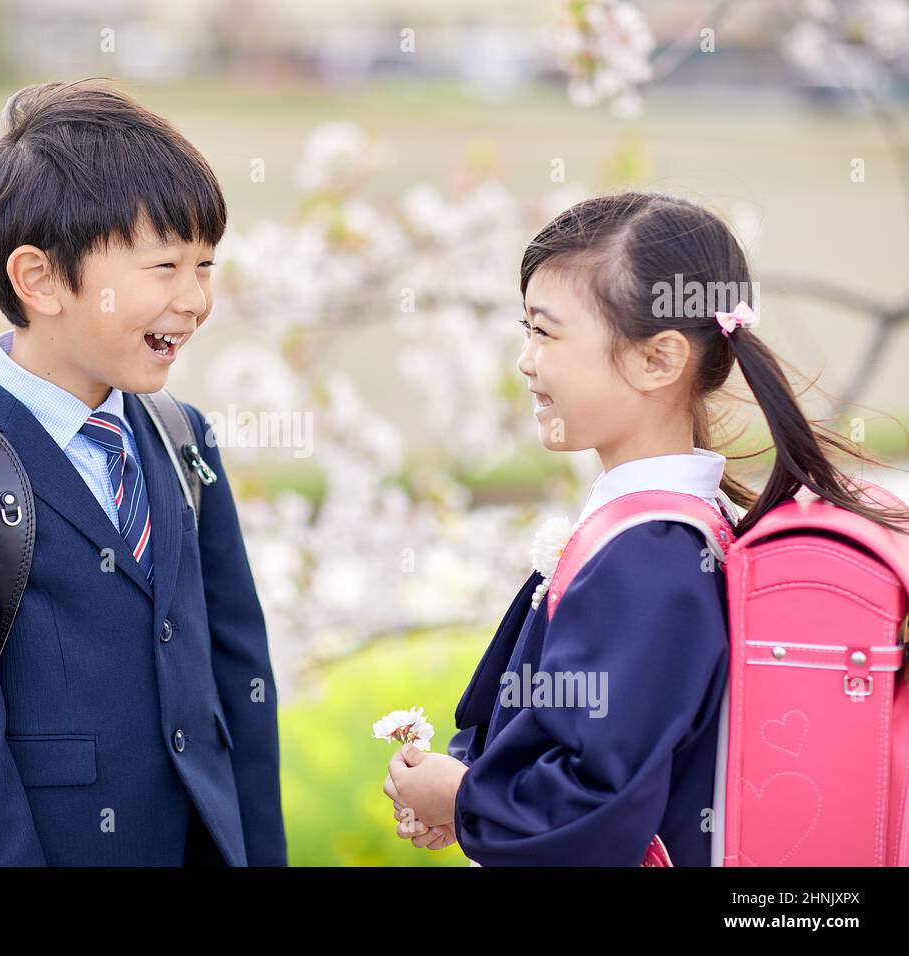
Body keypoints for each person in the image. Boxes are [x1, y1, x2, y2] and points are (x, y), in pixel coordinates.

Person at [383, 191, 909, 865]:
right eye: (526, 330)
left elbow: (598, 803)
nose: (525, 360)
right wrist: (467, 790)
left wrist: (467, 801)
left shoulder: (650, 557)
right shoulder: (672, 531)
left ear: (658, 360)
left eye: (545, 332)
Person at [0, 80, 286, 866]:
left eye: (206, 266)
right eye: (163, 266)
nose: (194, 300)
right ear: (40, 280)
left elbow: (239, 669)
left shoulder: (177, 434)